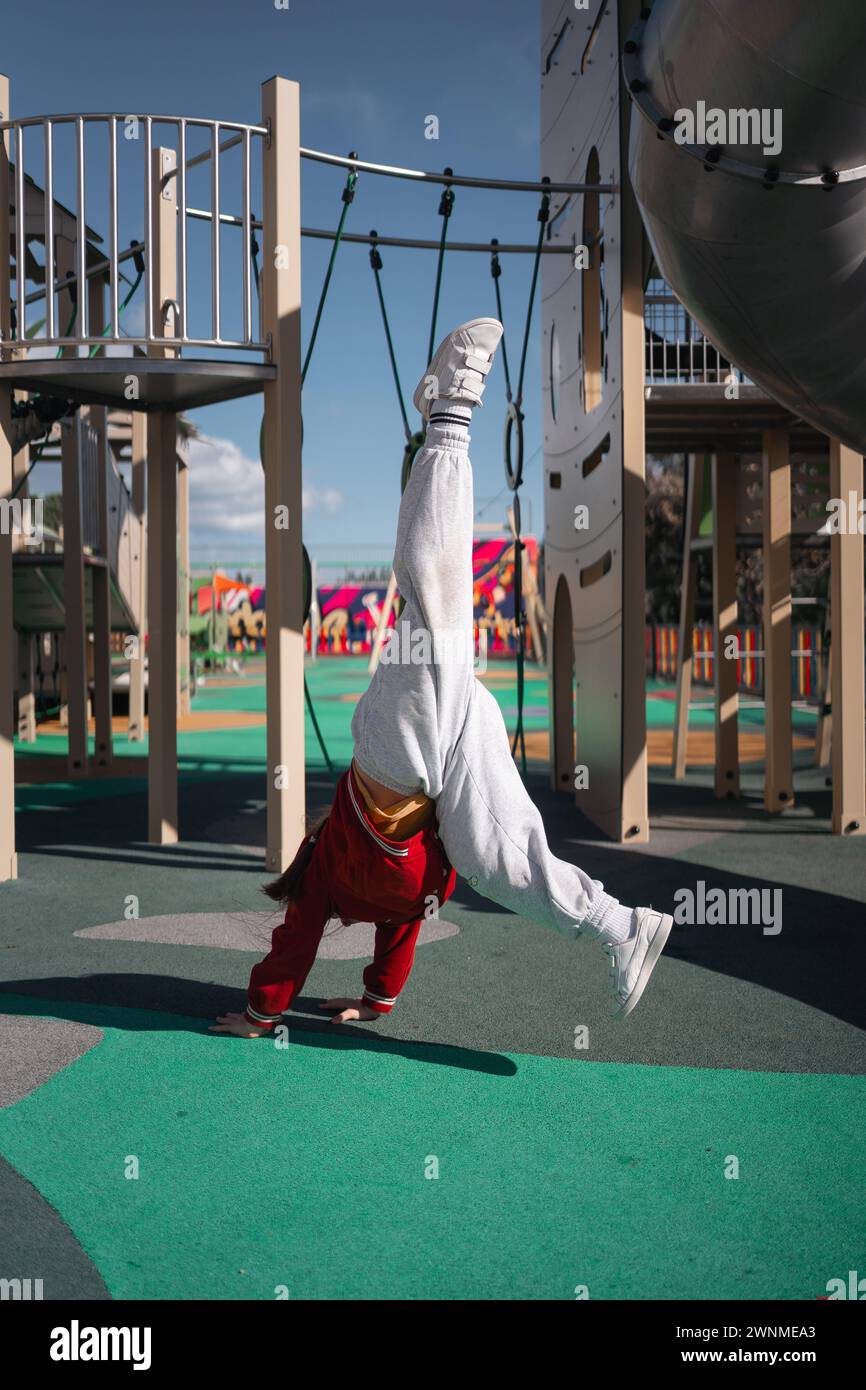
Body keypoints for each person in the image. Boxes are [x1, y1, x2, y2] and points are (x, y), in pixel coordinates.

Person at [211, 319, 672, 1038]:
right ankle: (622, 926)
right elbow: (399, 935)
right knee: (508, 860)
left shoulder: (326, 874)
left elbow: (293, 941)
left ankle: (452, 405)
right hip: (446, 768)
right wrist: (377, 1000)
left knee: (433, 605)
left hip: (393, 757)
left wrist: (259, 1012)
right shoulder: (411, 895)